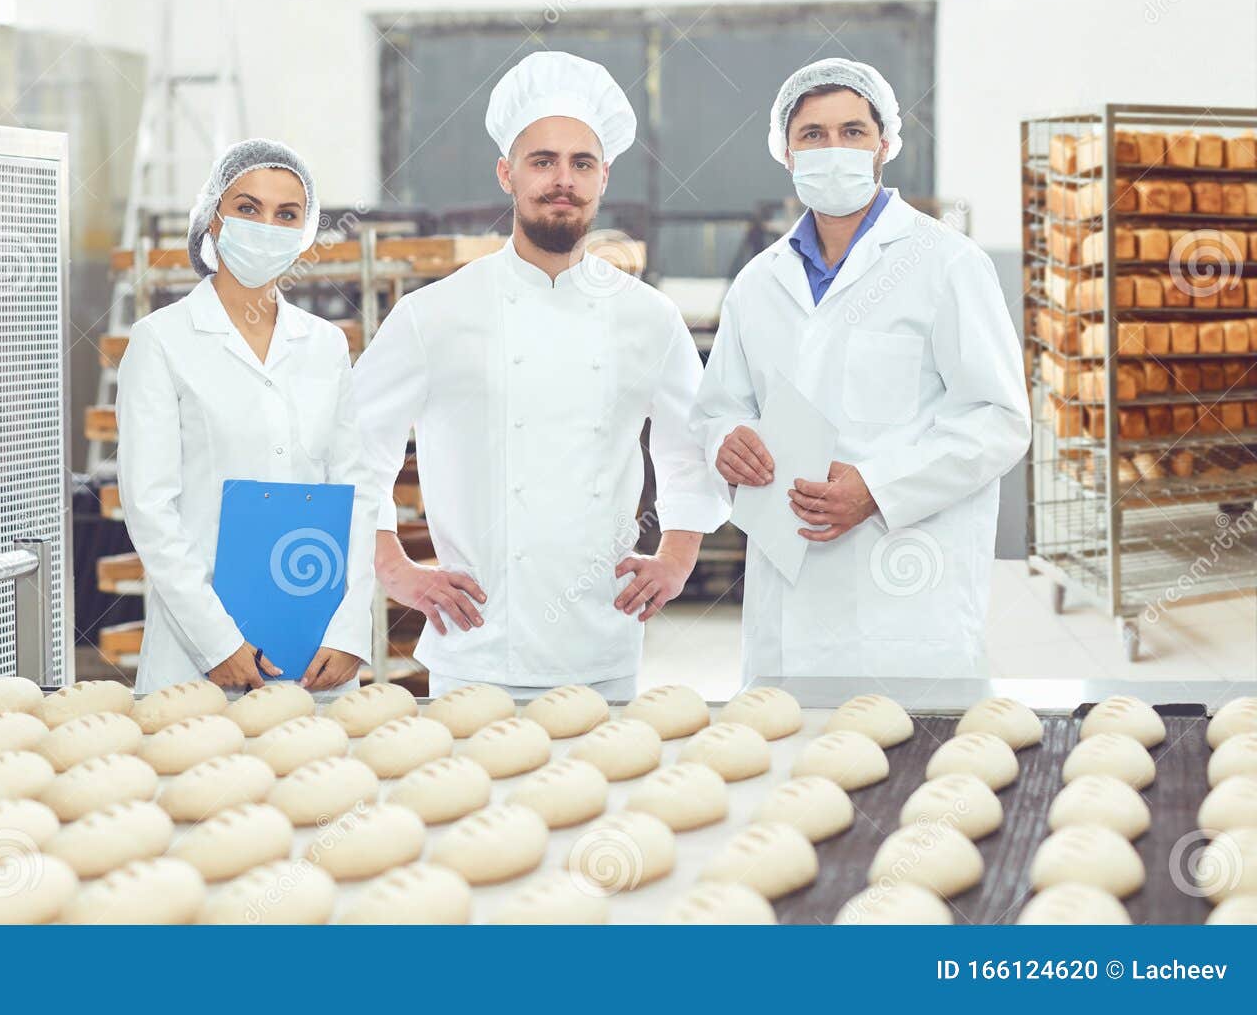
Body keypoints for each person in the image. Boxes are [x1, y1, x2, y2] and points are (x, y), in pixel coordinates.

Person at [350, 50, 726, 701]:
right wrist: (393, 568)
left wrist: (677, 557)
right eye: (543, 160)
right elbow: (354, 442)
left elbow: (692, 448)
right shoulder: (434, 314)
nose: (563, 179)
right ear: (507, 173)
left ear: (604, 177)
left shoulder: (648, 318)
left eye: (582, 163)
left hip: (602, 647)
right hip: (476, 651)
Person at [692, 57, 1030, 683]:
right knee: (788, 759)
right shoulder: (759, 281)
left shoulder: (947, 264)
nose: (833, 149)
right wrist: (725, 441)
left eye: (852, 132)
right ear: (786, 153)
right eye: (812, 135)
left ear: (884, 145)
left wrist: (878, 486)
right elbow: (721, 406)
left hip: (904, 591)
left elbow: (998, 419)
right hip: (787, 593)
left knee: (909, 761)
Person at [115, 138, 374, 695]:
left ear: (305, 233)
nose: (267, 226)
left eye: (287, 214)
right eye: (248, 208)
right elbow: (149, 507)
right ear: (213, 220)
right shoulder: (162, 341)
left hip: (314, 647)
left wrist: (352, 628)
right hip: (197, 659)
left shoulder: (325, 344)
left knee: (318, 778)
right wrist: (217, 641)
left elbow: (357, 490)